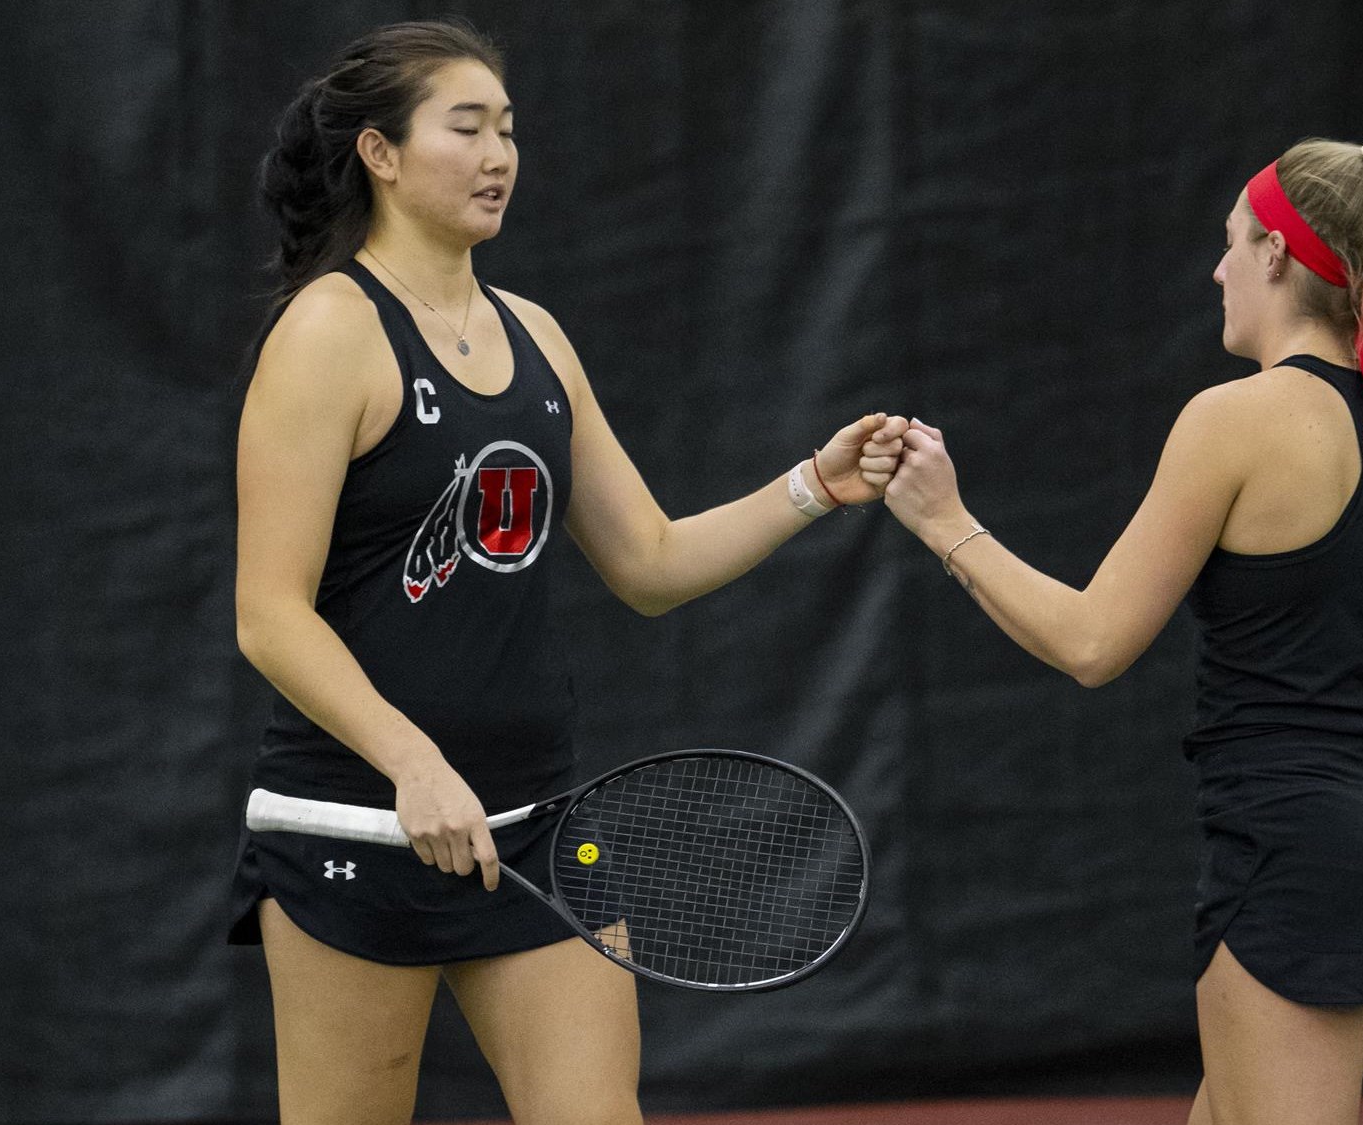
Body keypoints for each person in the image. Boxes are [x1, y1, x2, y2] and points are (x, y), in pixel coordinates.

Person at [228, 20, 904, 1125]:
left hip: (536, 824)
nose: (499, 154)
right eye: (465, 128)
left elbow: (649, 562)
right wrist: (413, 764)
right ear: (379, 153)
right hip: (357, 826)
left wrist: (812, 488)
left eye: (507, 129)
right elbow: (268, 613)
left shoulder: (537, 335)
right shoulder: (328, 332)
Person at [882, 138, 1363, 1124]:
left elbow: (1092, 643)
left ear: (1275, 253)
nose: (1216, 269)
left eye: (1231, 242)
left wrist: (943, 521)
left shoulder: (1229, 422)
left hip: (1294, 865)